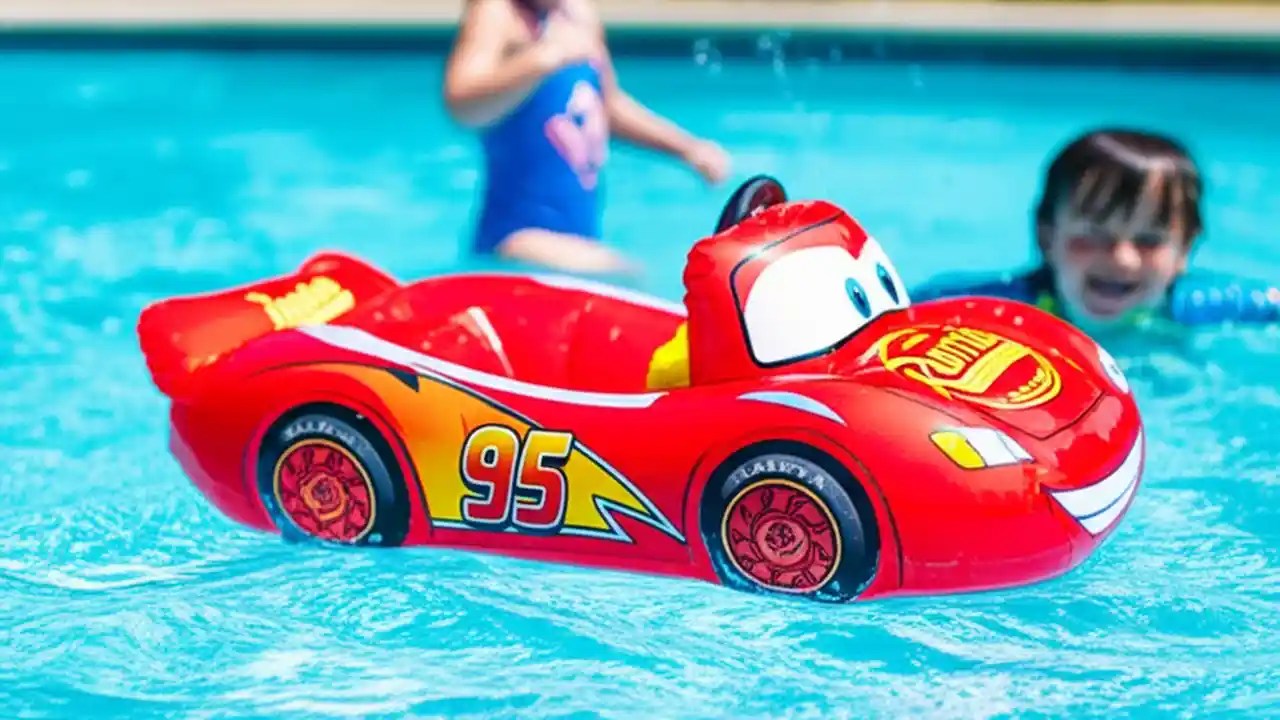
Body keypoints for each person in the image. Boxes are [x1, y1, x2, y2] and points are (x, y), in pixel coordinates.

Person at [443, 0, 731, 276]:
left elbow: (607, 106)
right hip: (519, 240)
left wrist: (687, 148)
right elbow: (462, 102)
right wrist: (543, 57)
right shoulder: (498, 12)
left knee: (619, 278)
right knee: (626, 278)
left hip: (578, 237)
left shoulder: (577, 14)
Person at [912, 128, 1279, 331]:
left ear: (1184, 250)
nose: (1121, 258)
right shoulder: (1004, 309)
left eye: (1149, 241)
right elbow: (901, 311)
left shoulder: (1196, 306)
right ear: (1047, 237)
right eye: (1093, 236)